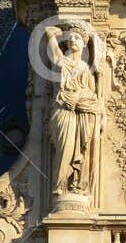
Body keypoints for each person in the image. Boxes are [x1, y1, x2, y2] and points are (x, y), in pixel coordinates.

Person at [41, 24, 105, 200]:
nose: (72, 40)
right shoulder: (62, 61)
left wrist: (99, 112)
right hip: (62, 109)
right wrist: (50, 36)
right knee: (64, 149)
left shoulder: (85, 68)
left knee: (78, 150)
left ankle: (75, 183)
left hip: (81, 113)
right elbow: (55, 57)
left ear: (84, 44)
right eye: (70, 38)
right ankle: (60, 185)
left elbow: (93, 94)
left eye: (77, 38)